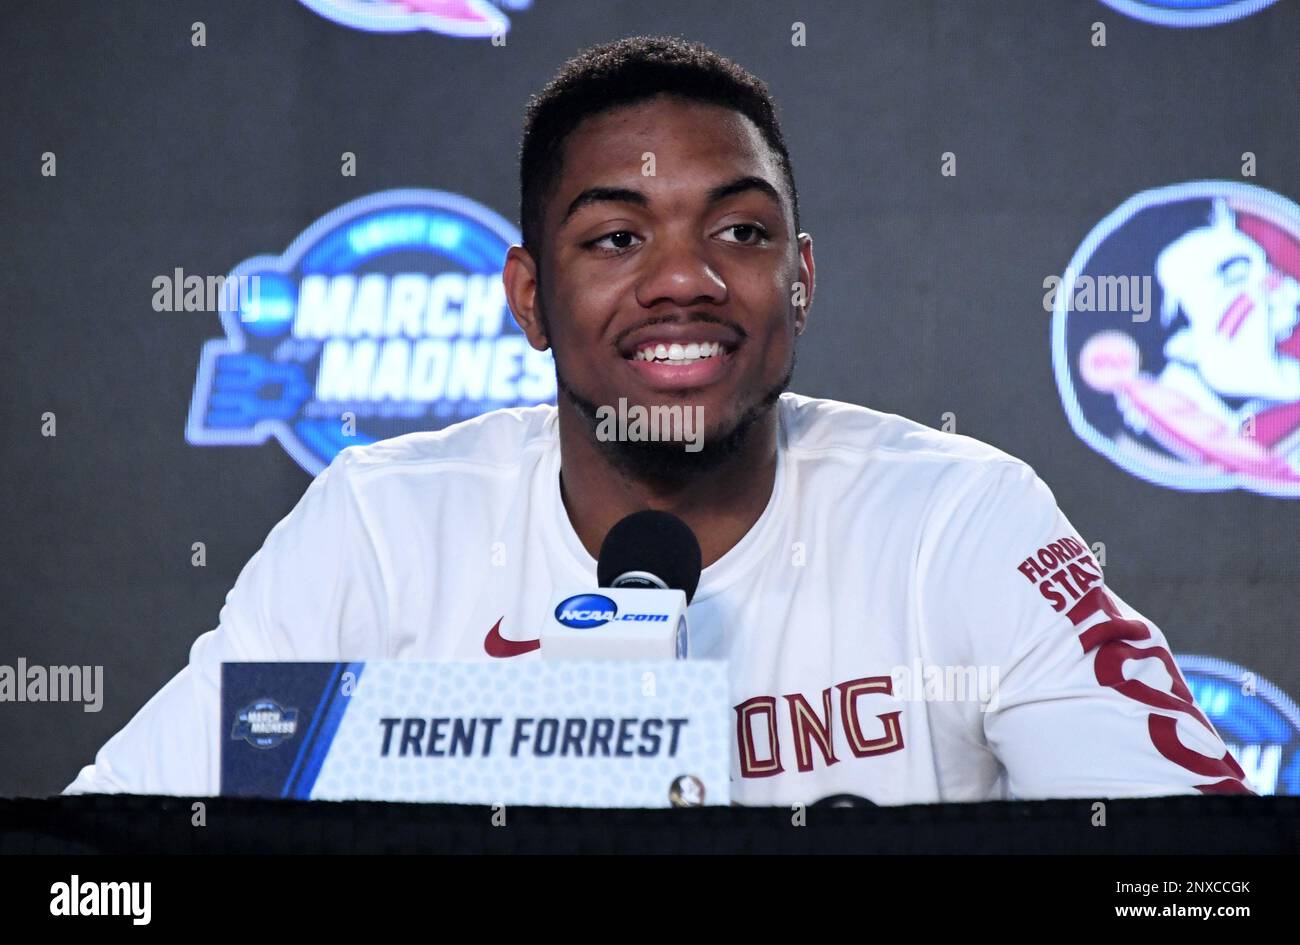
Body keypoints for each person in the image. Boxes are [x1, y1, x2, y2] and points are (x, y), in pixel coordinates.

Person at [66, 35, 1251, 804]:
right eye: (616, 237)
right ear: (530, 297)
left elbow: (1193, 879)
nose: (683, 280)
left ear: (801, 281)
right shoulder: (381, 529)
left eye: (740, 232)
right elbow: (102, 877)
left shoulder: (959, 517)